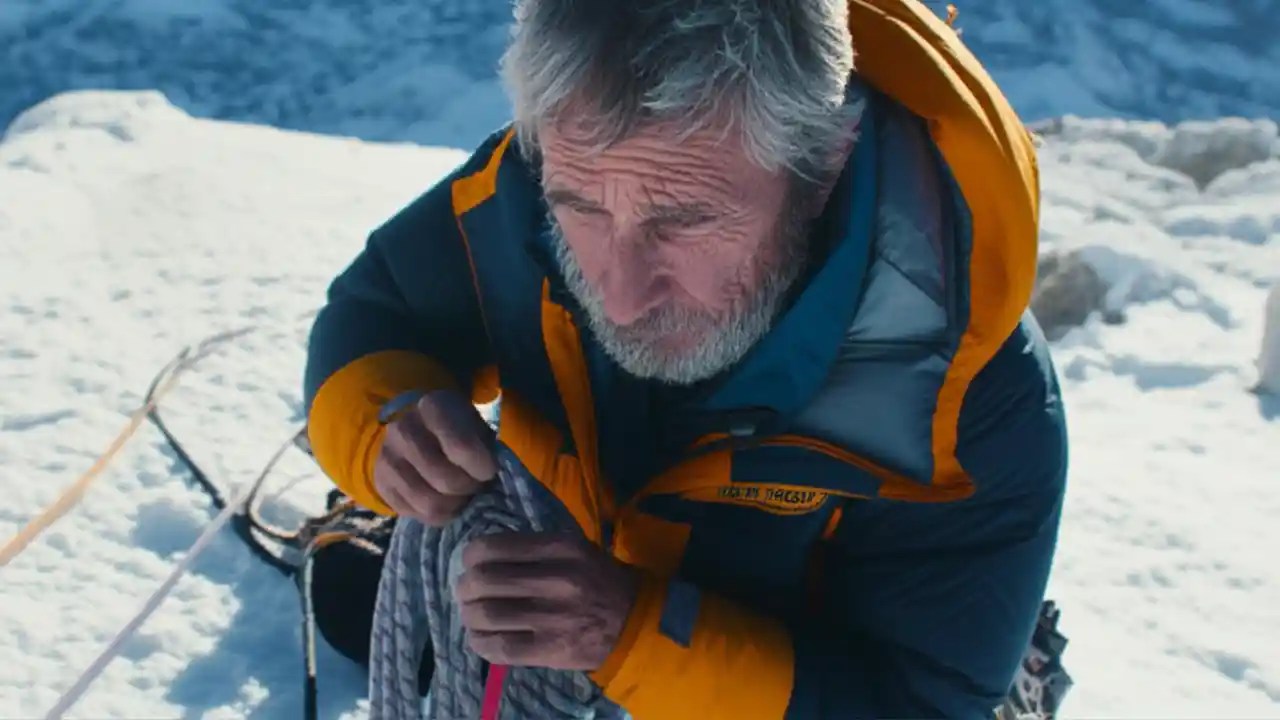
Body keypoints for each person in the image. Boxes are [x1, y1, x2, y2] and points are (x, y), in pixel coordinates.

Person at [301, 0, 1069, 717]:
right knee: (348, 597)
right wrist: (385, 425)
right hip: (561, 572)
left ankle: (1018, 651)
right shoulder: (528, 187)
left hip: (785, 661)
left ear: (826, 163)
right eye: (580, 210)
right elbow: (384, 306)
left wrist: (635, 637)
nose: (620, 298)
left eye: (686, 221)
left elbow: (917, 700)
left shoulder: (963, 396)